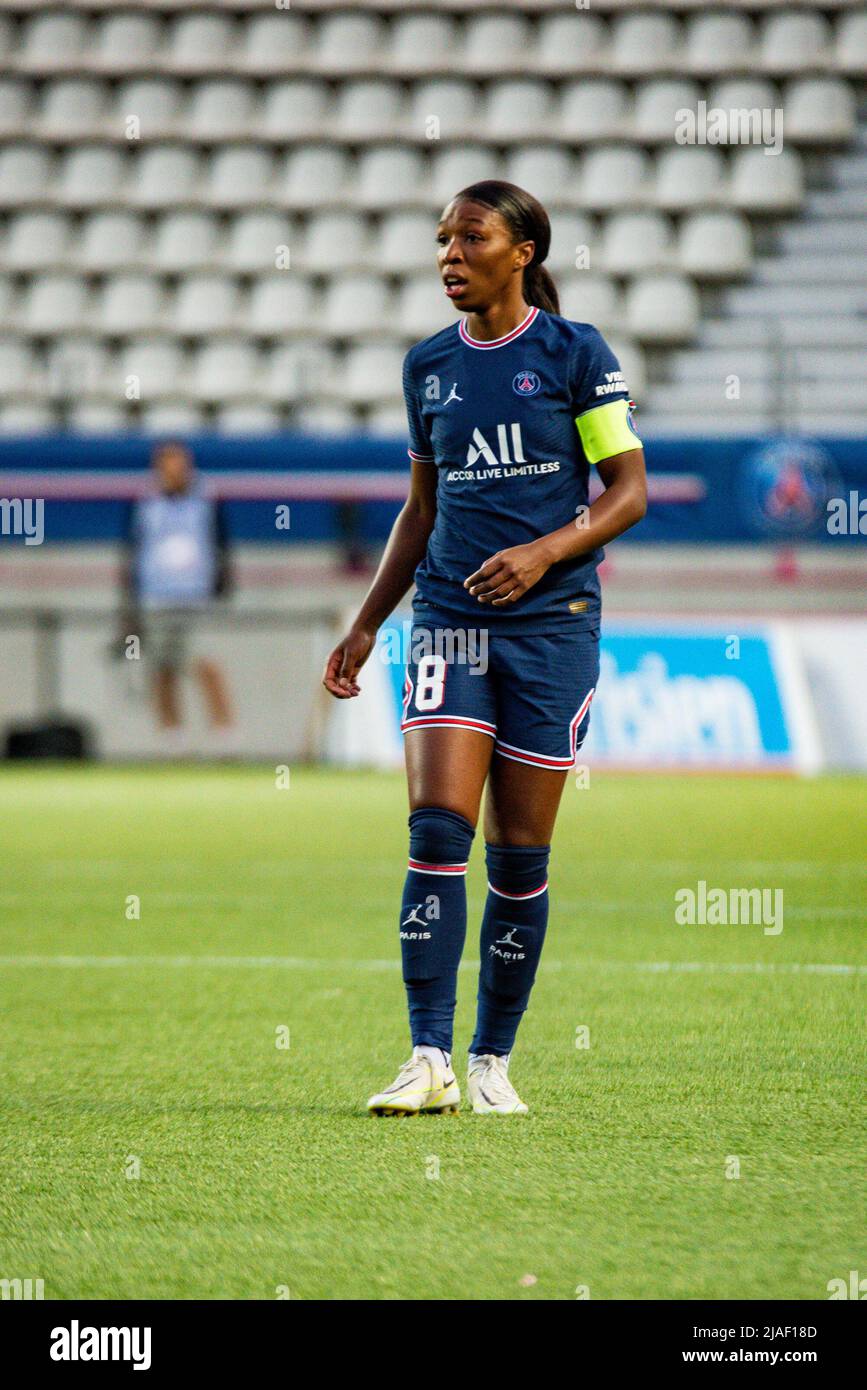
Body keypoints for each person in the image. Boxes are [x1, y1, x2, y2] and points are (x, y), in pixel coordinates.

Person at [322, 182, 647, 1116]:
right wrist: (367, 619)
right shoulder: (427, 368)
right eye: (440, 241)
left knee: (519, 858)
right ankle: (427, 1059)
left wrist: (544, 551)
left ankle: (493, 1059)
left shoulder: (573, 354)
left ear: (523, 250)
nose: (448, 256)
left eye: (470, 239)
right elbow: (420, 511)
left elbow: (626, 491)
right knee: (434, 833)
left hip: (552, 628)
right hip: (448, 621)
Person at [122, 440, 234, 735]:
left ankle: (224, 732)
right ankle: (172, 735)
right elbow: (132, 550)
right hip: (156, 598)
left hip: (196, 598)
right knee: (163, 668)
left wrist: (221, 586)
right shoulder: (144, 501)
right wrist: (130, 601)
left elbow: (221, 544)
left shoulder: (207, 498)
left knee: (206, 663)